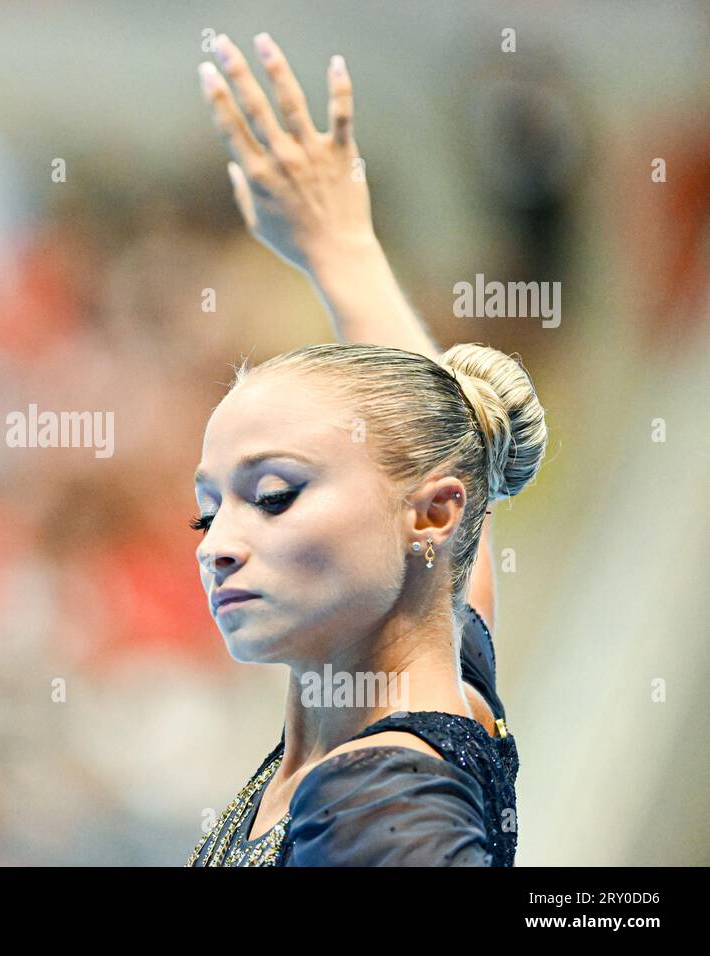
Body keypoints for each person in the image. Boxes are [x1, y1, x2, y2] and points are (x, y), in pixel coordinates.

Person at [186, 33, 548, 866]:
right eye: (204, 513)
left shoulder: (382, 796)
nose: (218, 547)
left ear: (432, 512)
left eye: (274, 496)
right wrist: (342, 252)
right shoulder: (448, 680)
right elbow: (444, 477)